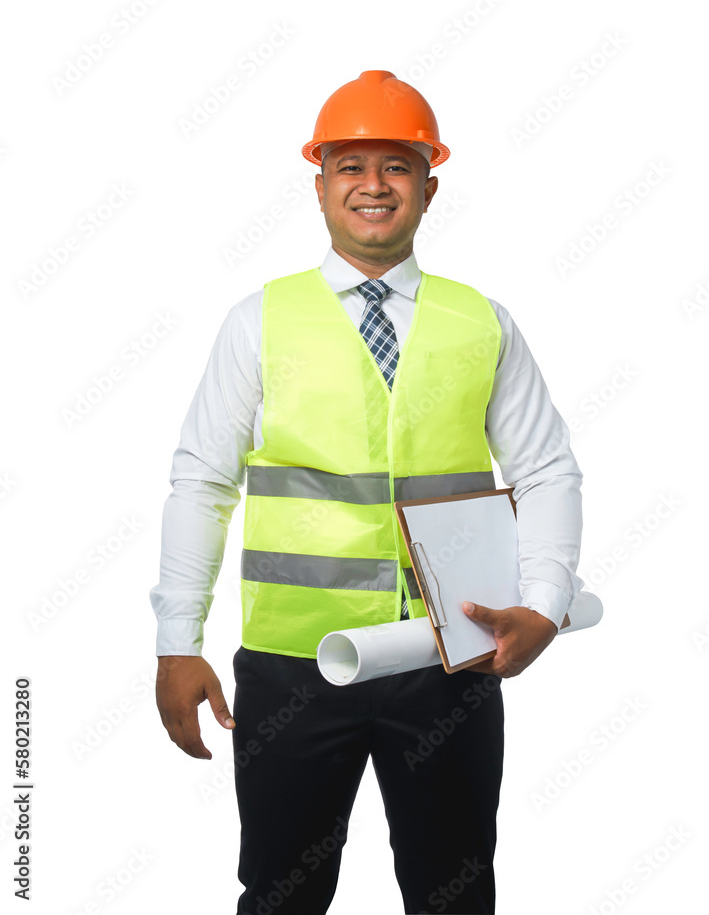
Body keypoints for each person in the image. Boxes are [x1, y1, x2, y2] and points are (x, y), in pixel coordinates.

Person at [150, 69, 584, 915]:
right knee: (282, 893)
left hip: (447, 658)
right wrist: (177, 640)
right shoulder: (259, 320)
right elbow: (201, 481)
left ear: (428, 184)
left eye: (396, 165)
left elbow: (547, 470)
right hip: (292, 668)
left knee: (452, 893)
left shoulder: (480, 321)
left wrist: (544, 600)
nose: (373, 186)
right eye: (351, 166)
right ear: (320, 186)